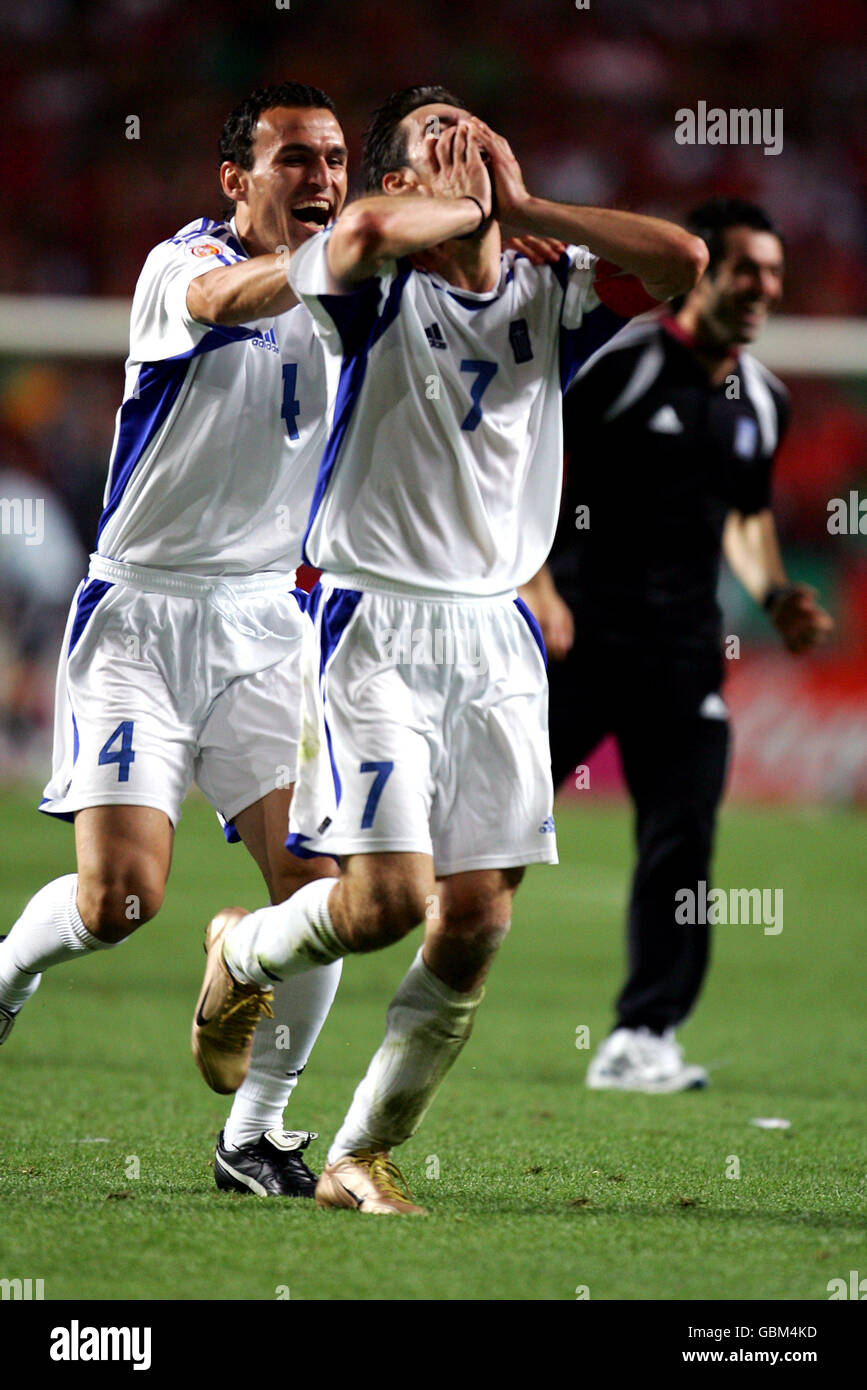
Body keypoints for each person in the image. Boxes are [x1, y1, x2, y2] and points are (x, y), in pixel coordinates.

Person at [191, 84, 707, 1214]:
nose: (464, 139)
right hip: (375, 622)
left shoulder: (548, 286)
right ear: (403, 179)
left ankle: (360, 1152)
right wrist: (447, 207)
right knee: (382, 903)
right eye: (436, 137)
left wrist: (529, 204)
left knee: (475, 918)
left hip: (500, 635)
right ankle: (245, 950)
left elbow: (685, 263)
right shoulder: (366, 287)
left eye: (478, 122)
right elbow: (367, 227)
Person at [0, 82, 351, 1197]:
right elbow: (226, 300)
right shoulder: (177, 267)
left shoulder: (361, 289)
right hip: (141, 618)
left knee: (321, 886)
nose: (323, 180)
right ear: (234, 179)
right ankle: (7, 977)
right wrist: (351, 257)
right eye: (295, 159)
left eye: (337, 160)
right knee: (120, 904)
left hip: (263, 619)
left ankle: (256, 1130)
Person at [520, 198, 833, 1093]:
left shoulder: (762, 402)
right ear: (706, 275)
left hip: (685, 654)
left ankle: (641, 1036)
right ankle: (383, 932)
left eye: (773, 273)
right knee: (493, 824)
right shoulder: (620, 367)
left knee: (681, 844)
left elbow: (743, 516)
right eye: (747, 270)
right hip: (576, 639)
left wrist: (773, 593)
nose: (763, 289)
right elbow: (527, 465)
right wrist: (536, 584)